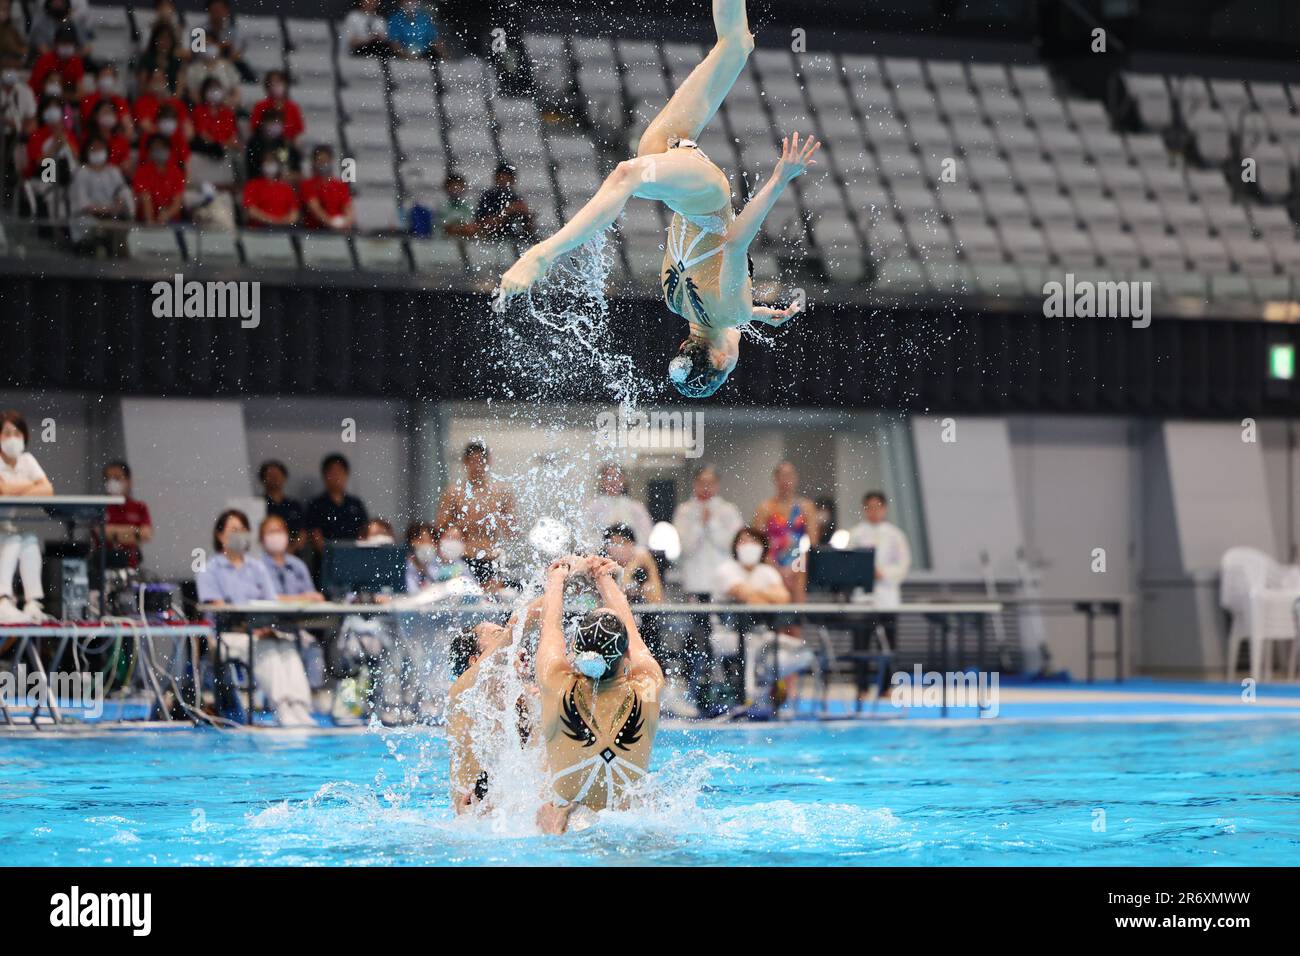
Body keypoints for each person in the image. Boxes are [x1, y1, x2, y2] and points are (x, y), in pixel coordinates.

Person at [494, 0, 818, 399]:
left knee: (625, 176)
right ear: (685, 346)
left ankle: (541, 254)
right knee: (736, 44)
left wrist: (780, 178)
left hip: (702, 193)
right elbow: (713, 307)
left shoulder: (728, 312)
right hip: (668, 157)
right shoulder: (676, 304)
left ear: (720, 362)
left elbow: (735, 242)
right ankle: (545, 252)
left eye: (728, 369)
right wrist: (753, 312)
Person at [534, 554, 665, 834]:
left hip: (569, 828)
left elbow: (550, 628)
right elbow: (632, 633)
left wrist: (557, 578)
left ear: (575, 648)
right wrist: (603, 578)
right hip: (628, 827)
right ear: (626, 654)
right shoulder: (648, 688)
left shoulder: (556, 683)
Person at [196, 509, 314, 726]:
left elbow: (271, 603)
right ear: (220, 536)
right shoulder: (209, 569)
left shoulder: (257, 568)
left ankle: (299, 707)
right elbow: (218, 609)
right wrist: (249, 628)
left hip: (261, 630)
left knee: (286, 647)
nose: (239, 534)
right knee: (265, 649)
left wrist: (266, 626)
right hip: (227, 635)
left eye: (243, 529)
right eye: (233, 530)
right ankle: (282, 707)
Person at [0, 410, 53, 624]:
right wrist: (32, 485)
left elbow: (48, 490)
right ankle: (3, 600)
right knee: (13, 540)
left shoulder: (27, 460)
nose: (13, 438)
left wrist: (13, 488)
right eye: (7, 433)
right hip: (3, 532)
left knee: (30, 540)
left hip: (5, 527)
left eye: (17, 433)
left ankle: (33, 603)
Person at [434, 441, 517, 574]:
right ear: (465, 462)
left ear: (488, 461)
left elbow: (513, 532)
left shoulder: (501, 493)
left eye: (481, 461)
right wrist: (464, 523)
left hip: (490, 557)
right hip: (462, 557)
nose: (477, 466)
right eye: (473, 461)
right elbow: (439, 528)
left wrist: (495, 517)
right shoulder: (454, 493)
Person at [672, 463, 743, 600]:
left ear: (717, 484)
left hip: (723, 581)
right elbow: (686, 548)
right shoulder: (684, 511)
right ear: (695, 483)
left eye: (711, 483)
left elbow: (732, 546)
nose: (706, 487)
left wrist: (711, 524)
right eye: (702, 482)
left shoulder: (729, 510)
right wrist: (699, 525)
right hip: (695, 580)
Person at [753, 460, 818, 601]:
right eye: (782, 476)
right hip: (772, 562)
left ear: (796, 478)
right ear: (775, 479)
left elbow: (812, 544)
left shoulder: (806, 507)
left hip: (798, 563)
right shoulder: (765, 508)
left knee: (799, 582)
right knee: (777, 599)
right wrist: (776, 568)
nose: (786, 481)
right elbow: (758, 543)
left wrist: (795, 567)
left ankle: (798, 620)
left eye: (789, 476)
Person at [69, 135, 133, 250]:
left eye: (100, 149)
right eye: (94, 149)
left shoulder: (113, 171)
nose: (97, 152)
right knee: (96, 229)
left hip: (112, 216)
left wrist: (119, 204)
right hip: (88, 218)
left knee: (121, 231)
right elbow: (84, 205)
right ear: (87, 151)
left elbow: (122, 192)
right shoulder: (81, 173)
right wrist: (106, 209)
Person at [306, 452, 369, 554]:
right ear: (324, 475)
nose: (336, 476)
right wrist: (332, 556)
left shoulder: (356, 503)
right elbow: (314, 535)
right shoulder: (316, 504)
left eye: (340, 471)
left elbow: (364, 531)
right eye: (332, 472)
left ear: (346, 474)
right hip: (325, 559)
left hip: (354, 556)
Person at [585, 461, 652, 549]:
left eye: (617, 476)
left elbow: (646, 535)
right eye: (608, 477)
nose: (613, 481)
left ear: (624, 480)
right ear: (602, 481)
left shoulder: (636, 507)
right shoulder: (593, 507)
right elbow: (585, 535)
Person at [257, 514, 323, 602]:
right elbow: (266, 598)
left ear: (287, 535)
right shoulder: (256, 566)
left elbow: (314, 596)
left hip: (299, 615)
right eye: (271, 532)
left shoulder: (298, 565)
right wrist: (301, 598)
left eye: (279, 531)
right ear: (261, 539)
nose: (276, 535)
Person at [101, 460, 152, 569]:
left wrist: (115, 534)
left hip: (131, 566)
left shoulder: (139, 507)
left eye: (117, 478)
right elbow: (102, 533)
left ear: (129, 481)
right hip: (104, 567)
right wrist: (134, 533)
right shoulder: (100, 506)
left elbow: (146, 534)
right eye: (108, 479)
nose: (112, 483)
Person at [473, 161, 536, 243]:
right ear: (496, 178)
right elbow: (483, 226)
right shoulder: (488, 196)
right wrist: (507, 211)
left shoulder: (515, 197)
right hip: (494, 241)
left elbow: (529, 230)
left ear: (513, 180)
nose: (505, 180)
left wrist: (528, 216)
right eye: (502, 176)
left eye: (508, 177)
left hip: (514, 240)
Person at [603, 524, 663, 604]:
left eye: (624, 542)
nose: (619, 548)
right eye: (614, 543)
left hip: (640, 614)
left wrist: (650, 564)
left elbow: (658, 600)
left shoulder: (642, 567)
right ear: (606, 547)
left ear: (633, 545)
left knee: (648, 587)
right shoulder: (602, 566)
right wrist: (631, 567)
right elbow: (618, 598)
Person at [131, 133, 185, 223]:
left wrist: (166, 214)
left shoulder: (176, 172)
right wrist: (151, 222)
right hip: (144, 221)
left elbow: (177, 203)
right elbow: (146, 199)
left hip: (171, 221)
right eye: (156, 148)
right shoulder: (142, 171)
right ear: (149, 152)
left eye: (162, 148)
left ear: (168, 150)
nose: (159, 151)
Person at [299, 144, 354, 231]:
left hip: (339, 229)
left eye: (326, 161)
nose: (323, 164)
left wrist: (347, 222)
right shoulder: (308, 184)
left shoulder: (340, 185)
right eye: (320, 161)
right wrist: (332, 223)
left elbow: (348, 208)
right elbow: (315, 209)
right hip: (317, 230)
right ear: (314, 162)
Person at [258, 459, 306, 555]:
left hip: (293, 555)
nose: (274, 478)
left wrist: (290, 550)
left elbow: (302, 533)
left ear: (284, 477)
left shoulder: (294, 505)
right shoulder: (258, 504)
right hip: (265, 556)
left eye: (277, 475)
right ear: (263, 479)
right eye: (270, 475)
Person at [241, 150, 299, 227]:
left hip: (283, 230)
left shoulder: (286, 188)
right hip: (259, 231)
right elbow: (251, 211)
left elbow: (294, 215)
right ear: (262, 165)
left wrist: (280, 223)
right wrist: (273, 221)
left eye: (272, 162)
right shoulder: (252, 185)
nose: (270, 165)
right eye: (267, 162)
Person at [405, 521, 470, 590]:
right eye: (449, 537)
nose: (452, 542)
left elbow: (472, 587)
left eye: (457, 539)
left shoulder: (460, 565)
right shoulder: (424, 562)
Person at [249, 69, 303, 142]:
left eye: (279, 82)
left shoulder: (293, 107)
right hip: (264, 144)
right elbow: (254, 128)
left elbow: (298, 131)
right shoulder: (260, 106)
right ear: (267, 86)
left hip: (287, 145)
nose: (276, 85)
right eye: (272, 82)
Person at [134, 21, 184, 94]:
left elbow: (179, 89)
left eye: (168, 39)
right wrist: (156, 91)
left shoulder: (176, 62)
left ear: (172, 42)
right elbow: (142, 86)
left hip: (170, 101)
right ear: (155, 40)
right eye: (162, 38)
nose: (164, 42)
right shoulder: (146, 60)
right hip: (149, 99)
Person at [436, 171, 476, 238]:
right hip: (443, 242)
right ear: (446, 188)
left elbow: (471, 227)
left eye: (459, 186)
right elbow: (447, 228)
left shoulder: (469, 205)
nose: (456, 189)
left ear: (464, 188)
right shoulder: (441, 206)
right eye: (453, 186)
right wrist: (462, 228)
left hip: (466, 241)